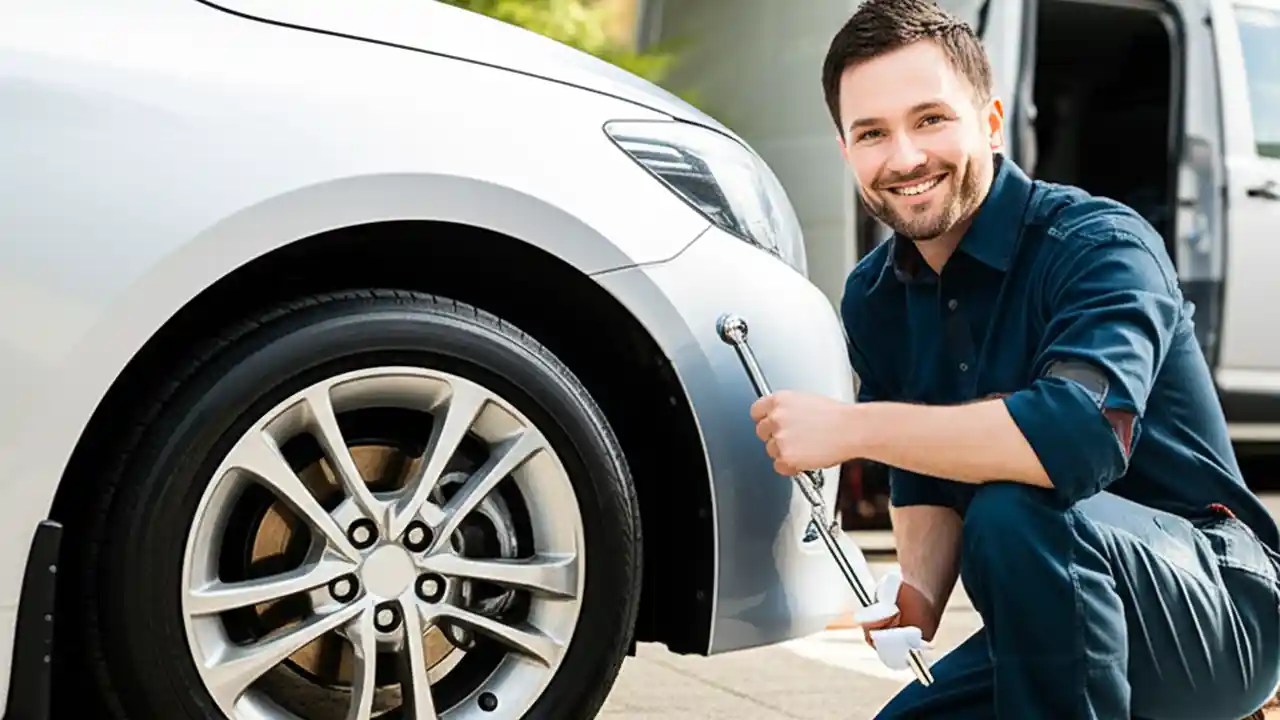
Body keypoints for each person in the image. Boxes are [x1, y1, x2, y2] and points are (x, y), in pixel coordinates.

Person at [747, 0, 1280, 716]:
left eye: (930, 119)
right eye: (872, 133)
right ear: (846, 150)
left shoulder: (1099, 245)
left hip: (1218, 616)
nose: (904, 157)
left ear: (991, 123)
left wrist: (853, 427)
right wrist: (919, 597)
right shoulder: (874, 296)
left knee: (1015, 507)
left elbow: (1074, 436)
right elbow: (923, 478)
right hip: (1056, 626)